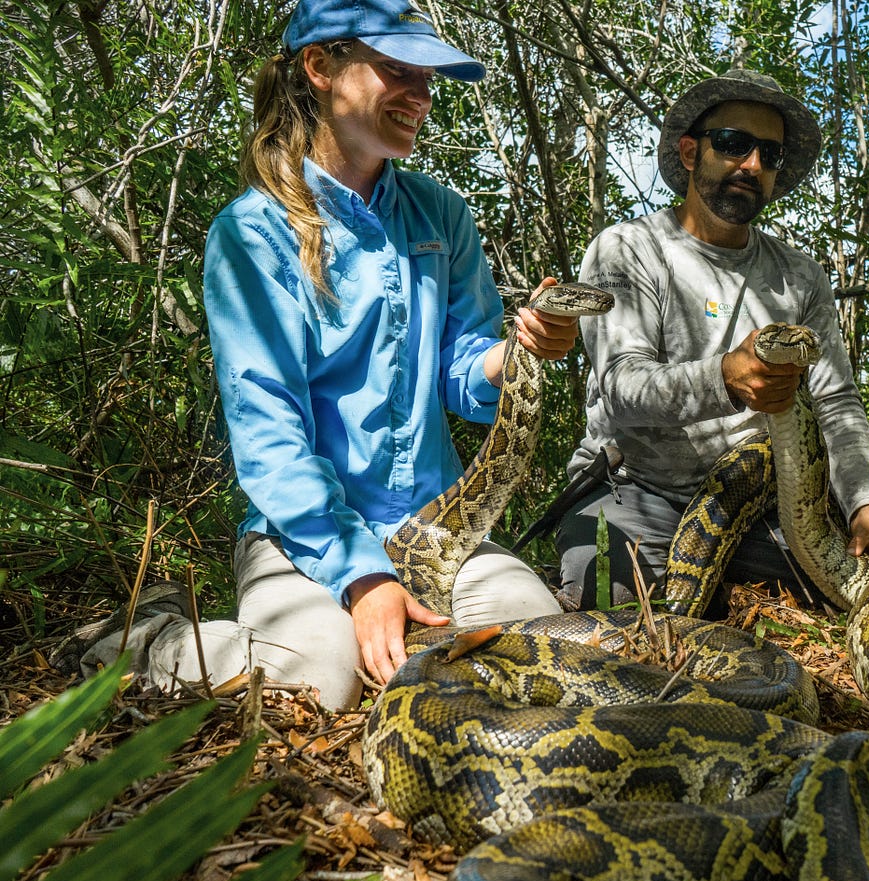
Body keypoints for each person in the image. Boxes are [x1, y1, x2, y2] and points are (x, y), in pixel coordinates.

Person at [80, 0, 577, 708]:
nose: (420, 95)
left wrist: (519, 351)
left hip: (437, 525)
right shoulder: (251, 235)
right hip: (303, 536)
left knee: (545, 645)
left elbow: (465, 376)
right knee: (319, 676)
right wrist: (365, 576)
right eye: (397, 70)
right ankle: (144, 635)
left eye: (428, 79)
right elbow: (268, 437)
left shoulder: (442, 216)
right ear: (319, 67)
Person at [554, 68, 869, 613]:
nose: (753, 165)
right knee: (609, 601)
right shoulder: (628, 249)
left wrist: (864, 504)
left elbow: (835, 401)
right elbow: (621, 386)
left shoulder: (801, 276)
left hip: (759, 499)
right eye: (734, 143)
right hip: (637, 488)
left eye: (770, 153)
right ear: (690, 152)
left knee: (845, 601)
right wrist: (725, 379)